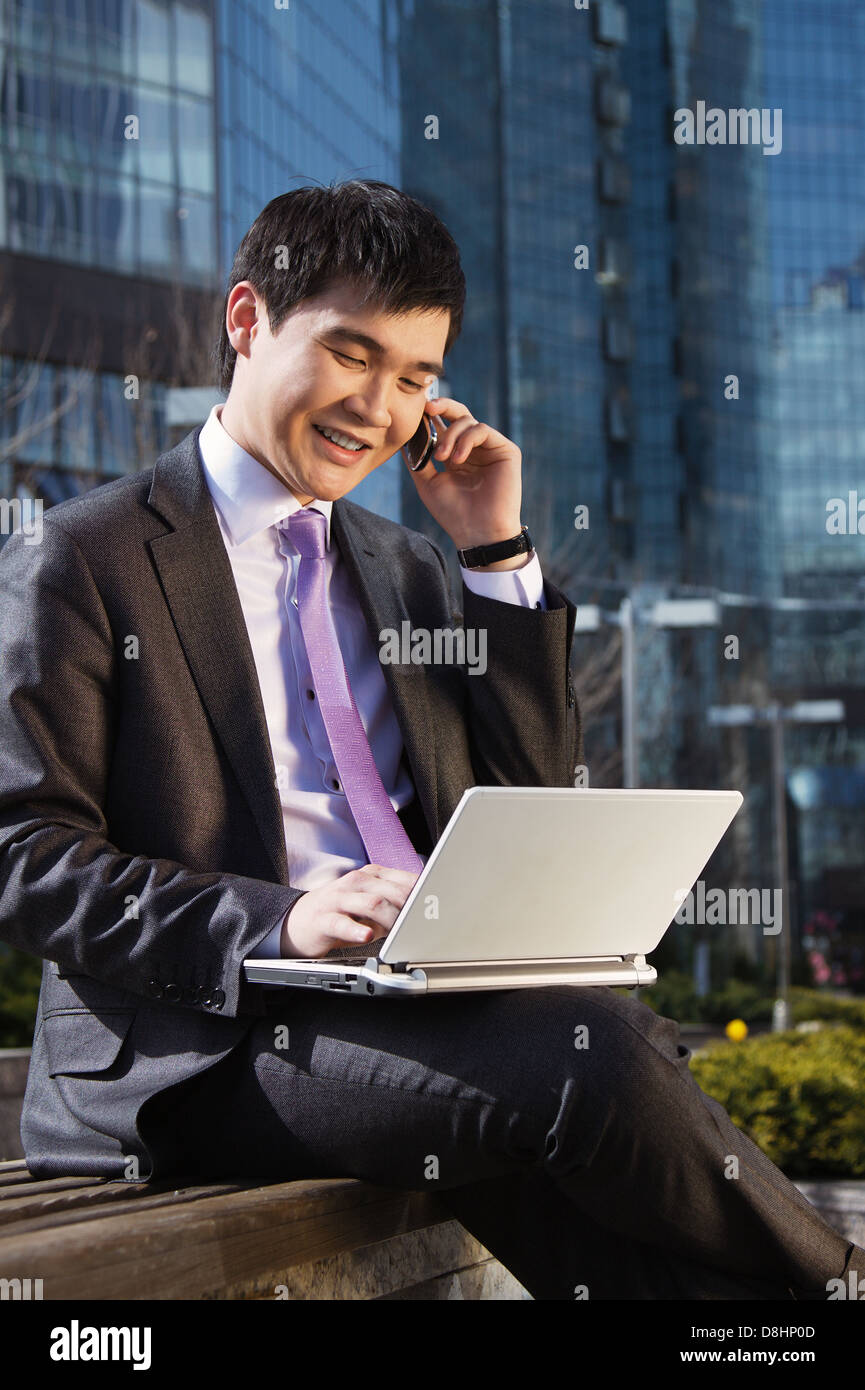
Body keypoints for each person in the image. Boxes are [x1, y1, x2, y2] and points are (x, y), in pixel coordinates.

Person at [0, 180, 860, 1301]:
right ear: (248, 320)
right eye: (353, 355)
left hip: (417, 1011)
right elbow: (25, 854)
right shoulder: (85, 557)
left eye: (415, 377)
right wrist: (285, 918)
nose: (381, 406)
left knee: (593, 1122)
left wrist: (495, 555)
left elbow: (526, 806)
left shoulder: (404, 567)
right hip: (199, 1045)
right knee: (578, 1065)